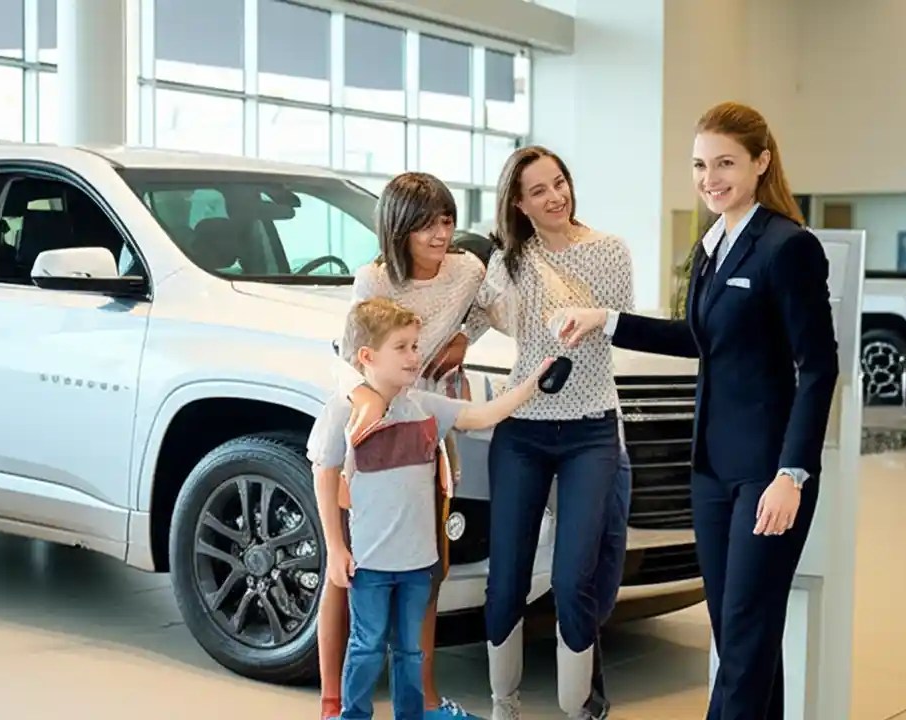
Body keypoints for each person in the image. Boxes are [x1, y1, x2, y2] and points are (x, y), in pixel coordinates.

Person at [553, 101, 838, 720]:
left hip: (767, 475)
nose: (710, 178)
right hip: (710, 473)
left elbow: (819, 368)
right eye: (700, 165)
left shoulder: (789, 248)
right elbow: (697, 339)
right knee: (743, 636)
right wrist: (606, 321)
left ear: (762, 163)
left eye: (726, 163)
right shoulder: (712, 248)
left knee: (743, 636)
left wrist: (793, 474)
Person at [308, 297, 553, 720]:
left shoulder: (424, 408)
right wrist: (336, 548)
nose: (414, 356)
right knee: (365, 647)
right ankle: (352, 714)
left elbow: (480, 415)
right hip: (367, 564)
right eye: (402, 347)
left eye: (415, 346)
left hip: (418, 564)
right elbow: (324, 475)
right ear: (367, 356)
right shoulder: (343, 411)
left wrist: (530, 386)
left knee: (411, 650)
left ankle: (411, 716)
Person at [461, 146, 633, 720]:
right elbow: (468, 325)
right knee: (506, 576)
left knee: (572, 576)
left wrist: (580, 315)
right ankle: (502, 706)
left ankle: (579, 710)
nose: (555, 196)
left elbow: (616, 332)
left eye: (559, 183)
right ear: (518, 202)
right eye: (539, 191)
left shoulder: (609, 251)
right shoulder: (508, 261)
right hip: (523, 432)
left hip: (591, 432)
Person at [318, 171, 487, 720]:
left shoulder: (466, 270)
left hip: (430, 422)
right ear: (398, 228)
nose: (440, 234)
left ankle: (425, 699)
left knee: (424, 563)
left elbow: (487, 304)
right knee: (349, 565)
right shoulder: (374, 280)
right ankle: (333, 700)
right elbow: (356, 352)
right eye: (425, 225)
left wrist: (466, 336)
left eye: (446, 220)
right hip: (374, 425)